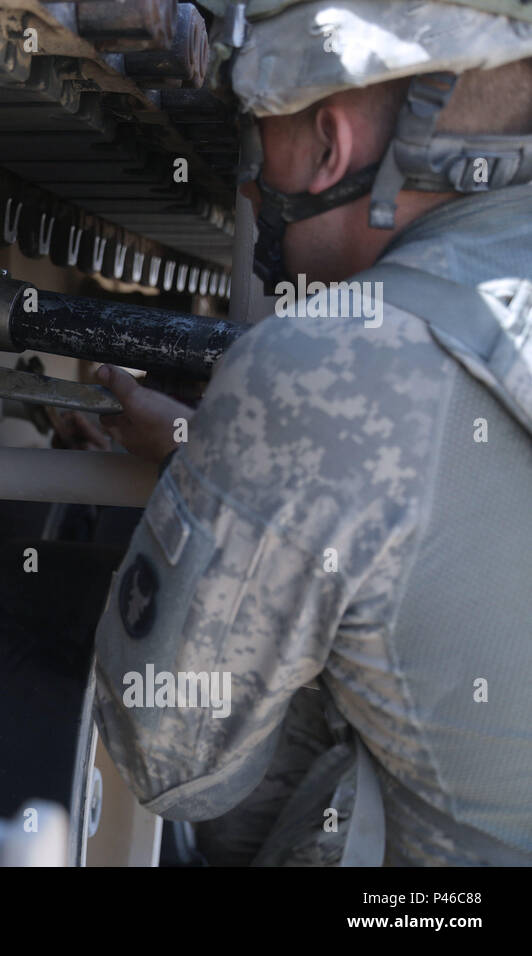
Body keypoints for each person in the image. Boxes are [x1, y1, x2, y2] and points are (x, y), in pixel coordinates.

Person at [85, 0, 532, 865]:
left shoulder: (325, 364)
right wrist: (212, 451)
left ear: (330, 145)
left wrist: (232, 467)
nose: (252, 189)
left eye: (261, 144)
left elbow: (173, 763)